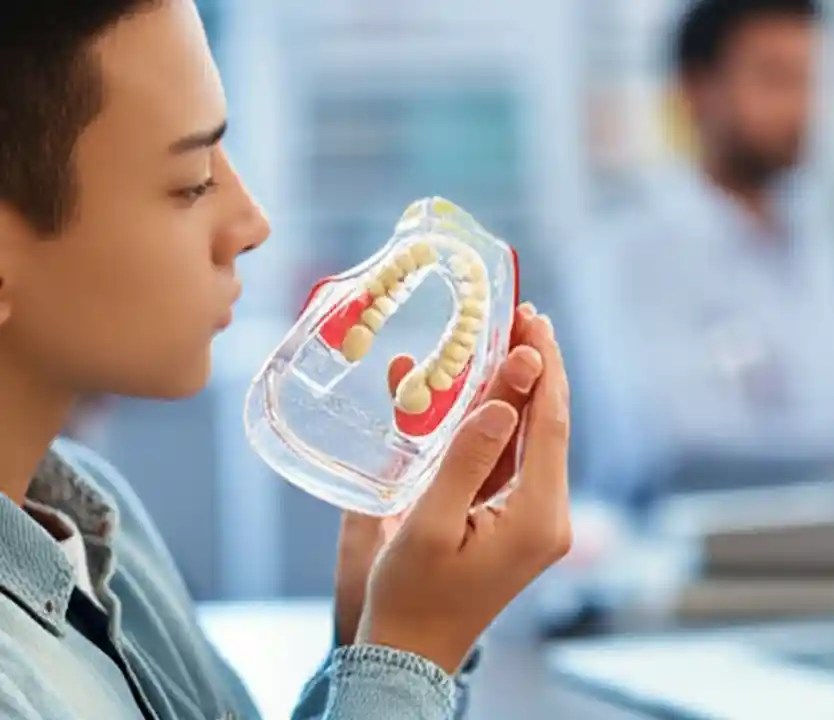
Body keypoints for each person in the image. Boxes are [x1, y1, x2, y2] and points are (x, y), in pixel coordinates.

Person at [0, 2, 571, 718]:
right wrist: (410, 648)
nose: (252, 223)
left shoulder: (100, 521)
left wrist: (375, 638)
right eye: (192, 181)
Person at [571, 0, 834, 509]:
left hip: (817, 538)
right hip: (679, 558)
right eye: (775, 80)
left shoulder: (809, 238)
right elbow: (674, 449)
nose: (801, 109)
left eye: (810, 81)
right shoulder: (629, 257)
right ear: (696, 90)